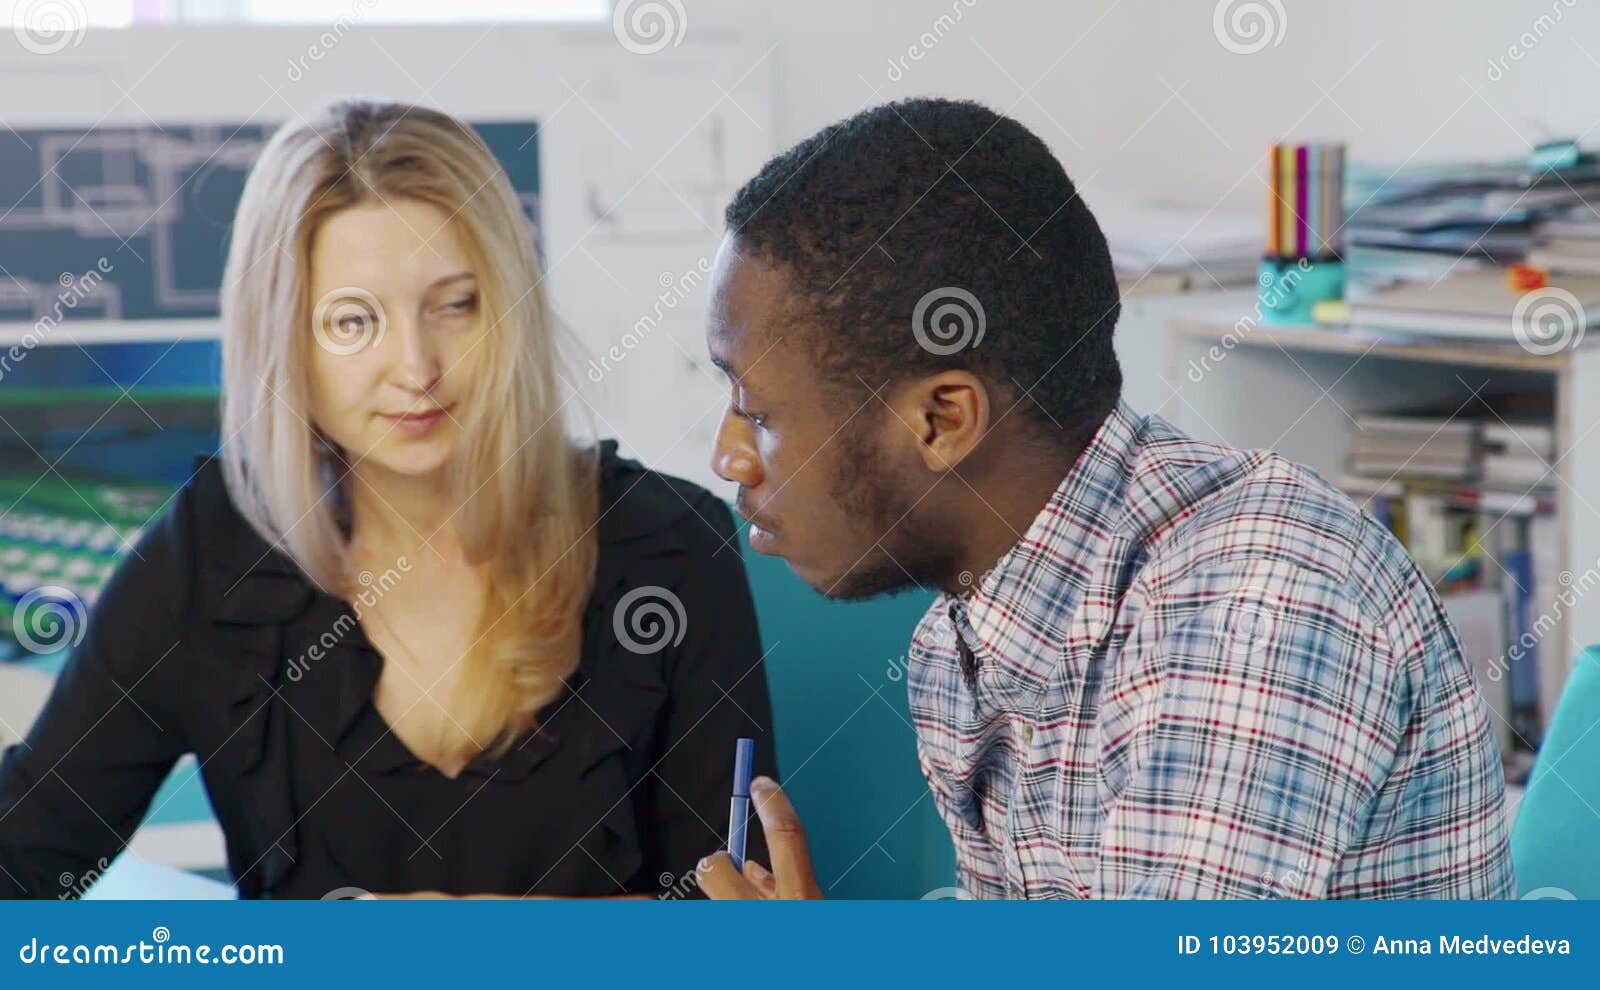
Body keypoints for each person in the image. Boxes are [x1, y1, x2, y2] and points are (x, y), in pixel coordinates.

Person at [694, 97, 1513, 899]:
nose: (728, 458)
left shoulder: (1258, 607)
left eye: (758, 413)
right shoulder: (959, 643)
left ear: (944, 419)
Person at [0, 99, 774, 899]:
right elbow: (25, 862)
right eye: (352, 321)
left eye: (456, 305)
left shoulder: (668, 545)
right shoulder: (211, 554)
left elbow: (743, 929)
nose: (415, 366)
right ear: (285, 339)